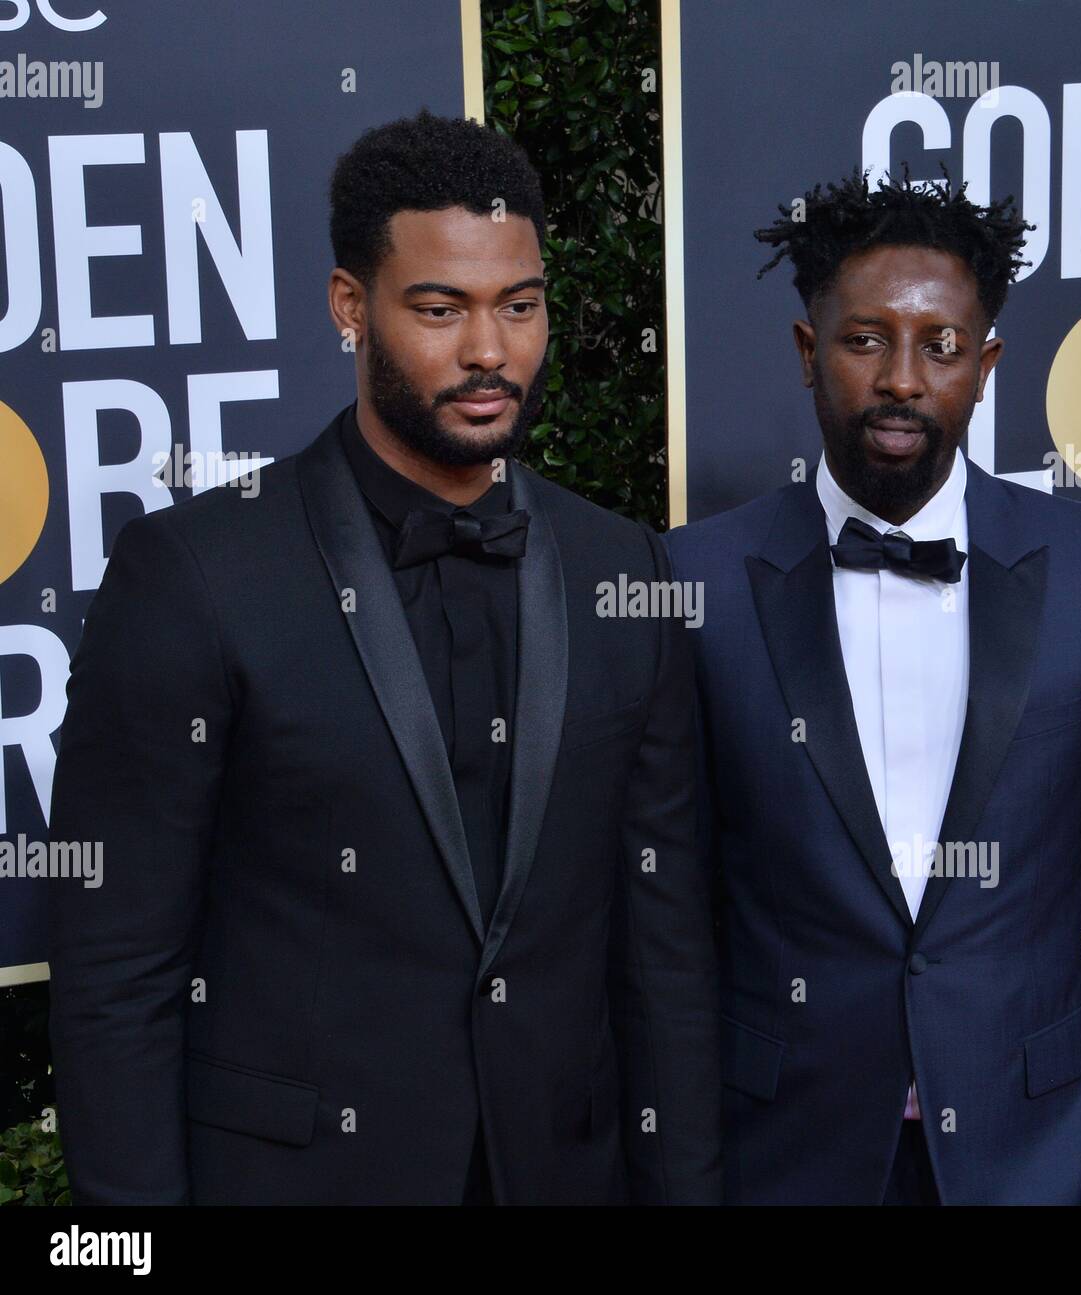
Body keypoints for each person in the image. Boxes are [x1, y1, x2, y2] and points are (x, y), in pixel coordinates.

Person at [46, 109, 721, 1206]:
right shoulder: (198, 573)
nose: (489, 351)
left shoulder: (622, 567)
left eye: (520, 305)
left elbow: (666, 954)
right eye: (439, 308)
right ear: (349, 307)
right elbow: (117, 970)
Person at [666, 169, 1081, 1206]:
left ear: (986, 363)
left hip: (1038, 1160)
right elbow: (665, 919)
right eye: (864, 338)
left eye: (941, 345)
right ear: (806, 353)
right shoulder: (694, 583)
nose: (902, 379)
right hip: (783, 1159)